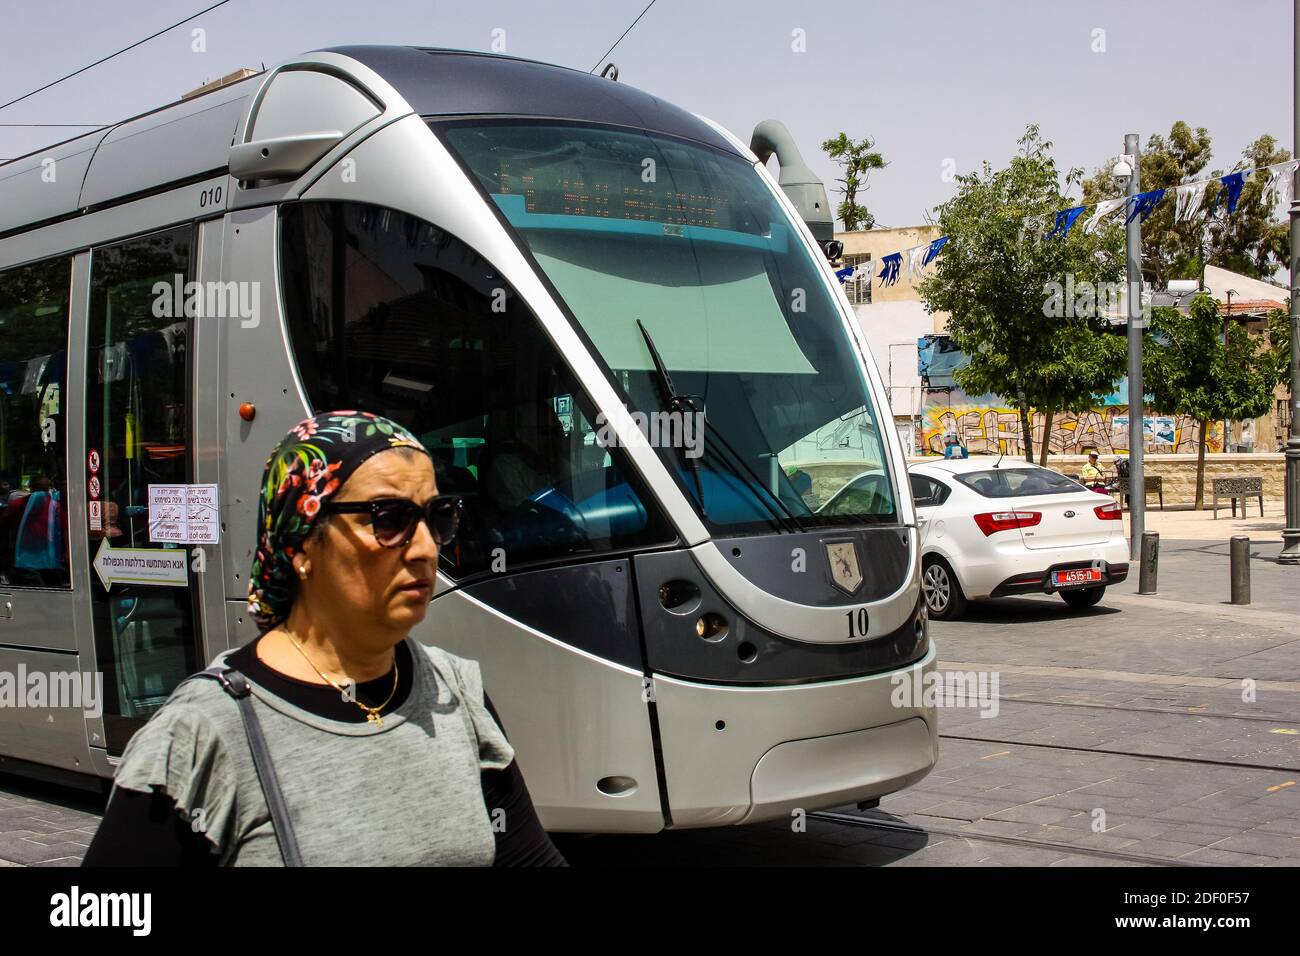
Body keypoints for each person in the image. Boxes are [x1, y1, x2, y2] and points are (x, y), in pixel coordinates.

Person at [84, 410, 566, 866]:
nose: (425, 549)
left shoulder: (454, 694)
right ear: (301, 544)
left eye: (437, 517)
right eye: (388, 519)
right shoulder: (201, 732)